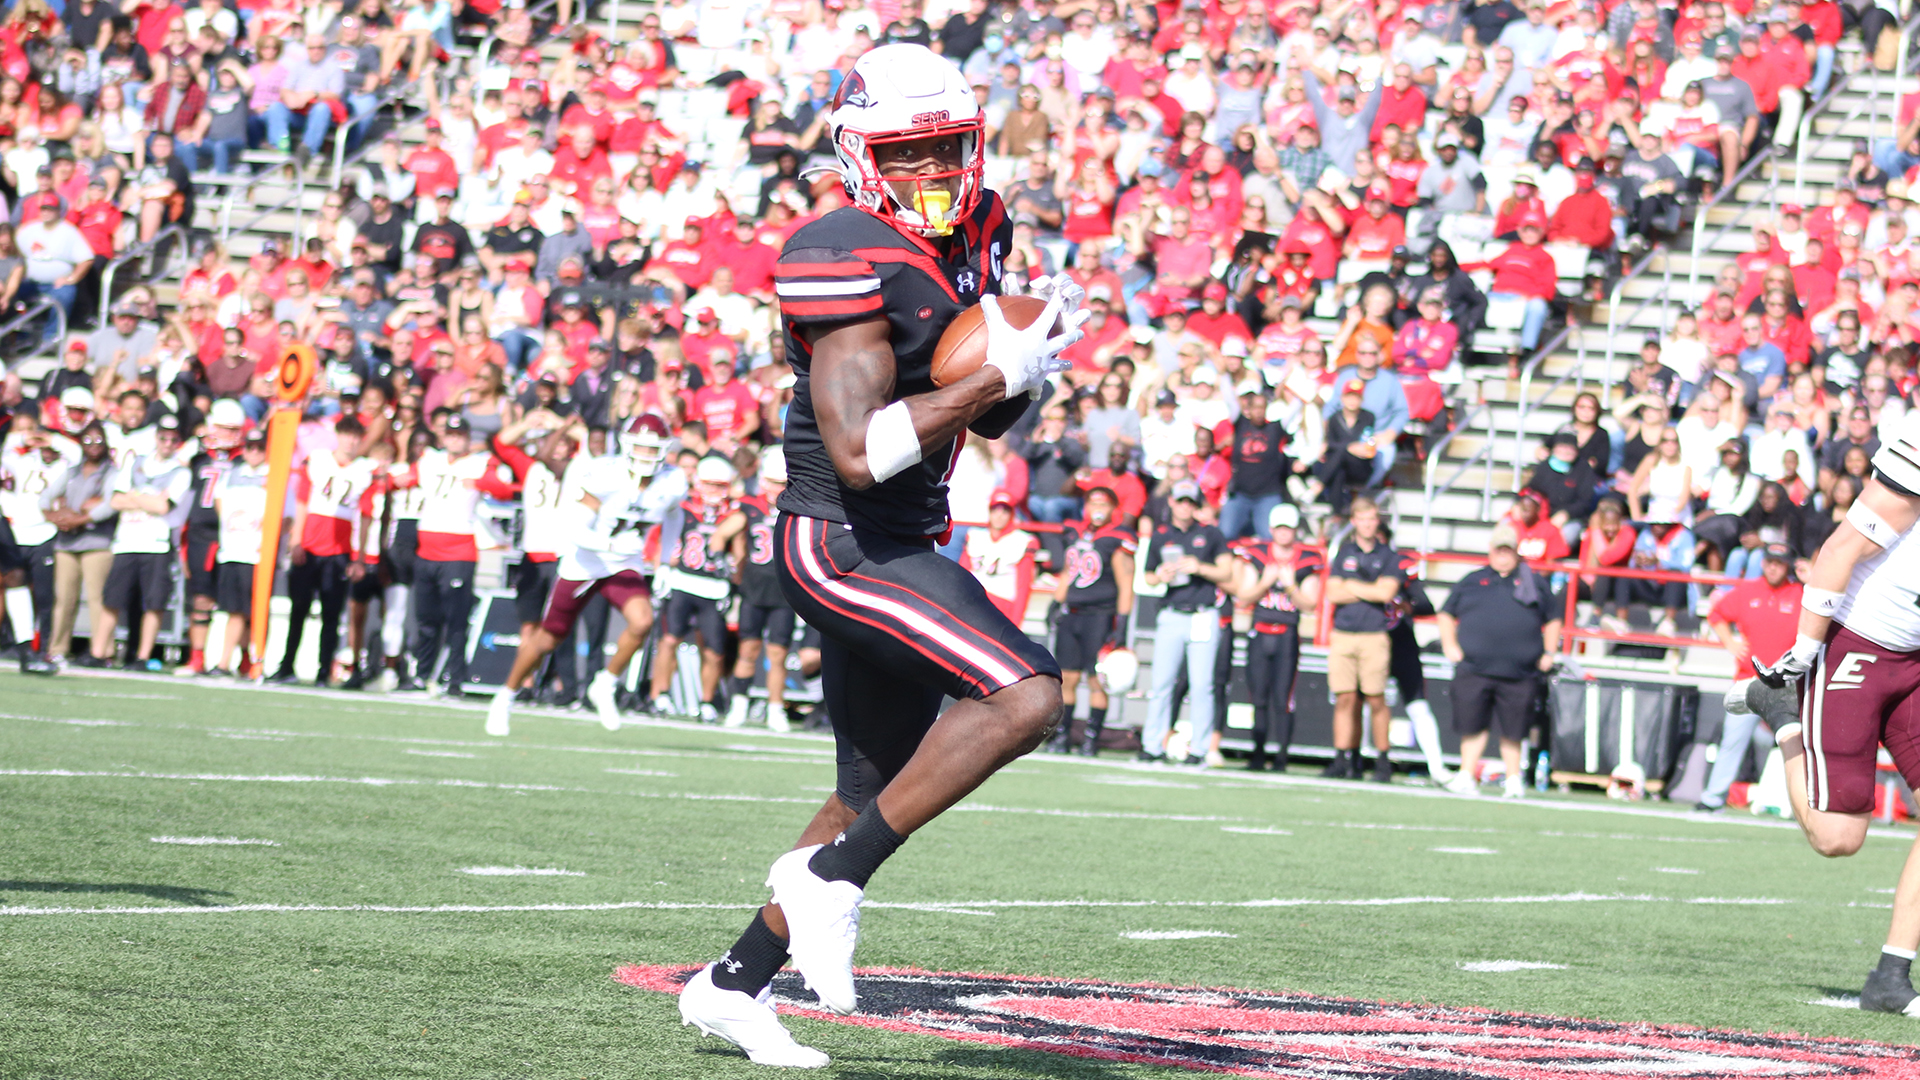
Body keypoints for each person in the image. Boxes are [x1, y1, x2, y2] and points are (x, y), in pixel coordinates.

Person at [678, 45, 1084, 1069]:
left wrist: (1018, 358)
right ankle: (829, 883)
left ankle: (731, 984)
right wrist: (989, 377)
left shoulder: (979, 224)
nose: (936, 172)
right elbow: (861, 458)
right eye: (909, 156)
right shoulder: (834, 249)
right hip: (843, 540)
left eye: (948, 148)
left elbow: (987, 410)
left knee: (869, 792)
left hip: (906, 533)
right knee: (1027, 697)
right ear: (861, 157)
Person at [1744, 411, 1920, 1015]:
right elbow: (1841, 547)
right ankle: (1781, 712)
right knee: (1838, 837)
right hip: (1858, 641)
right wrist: (1806, 650)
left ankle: (1890, 977)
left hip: (1917, 656)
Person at [487, 414, 677, 737]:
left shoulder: (672, 481)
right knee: (548, 636)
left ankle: (605, 683)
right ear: (628, 446)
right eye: (641, 447)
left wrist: (666, 562)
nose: (646, 455)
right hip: (585, 560)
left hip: (623, 562)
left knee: (643, 621)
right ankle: (505, 696)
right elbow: (574, 530)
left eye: (652, 448)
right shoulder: (606, 475)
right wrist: (609, 543)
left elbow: (675, 515)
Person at [1438, 521, 1562, 798]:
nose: (1503, 556)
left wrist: (1549, 652)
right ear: (1491, 551)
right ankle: (1467, 774)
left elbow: (1554, 618)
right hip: (1475, 666)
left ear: (1516, 551)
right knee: (1472, 725)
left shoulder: (1532, 581)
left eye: (1508, 551)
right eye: (1499, 550)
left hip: (1519, 671)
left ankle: (1514, 779)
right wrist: (1450, 644)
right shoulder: (1473, 580)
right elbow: (1445, 612)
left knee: (1514, 729)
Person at [268, 416, 377, 687]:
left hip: (338, 551)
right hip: (310, 546)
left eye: (356, 436)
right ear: (338, 435)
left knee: (331, 614)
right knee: (298, 610)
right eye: (347, 434)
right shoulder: (317, 460)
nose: (351, 441)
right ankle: (286, 665)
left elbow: (365, 516)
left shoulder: (364, 470)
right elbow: (303, 502)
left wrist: (358, 557)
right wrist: (296, 542)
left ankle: (323, 670)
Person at [1696, 542, 1801, 812]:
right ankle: (1712, 798)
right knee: (1732, 741)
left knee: (1794, 746)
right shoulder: (1747, 591)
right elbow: (1716, 614)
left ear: (1787, 565)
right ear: (1763, 563)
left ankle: (1800, 806)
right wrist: (1729, 641)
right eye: (1770, 561)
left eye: (1780, 562)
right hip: (1748, 682)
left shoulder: (1800, 594)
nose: (1774, 567)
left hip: (1787, 686)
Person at [392, 415, 489, 694]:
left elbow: (502, 488)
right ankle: (423, 675)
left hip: (459, 551)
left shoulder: (479, 463)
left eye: (461, 434)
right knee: (426, 619)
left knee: (456, 620)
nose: (455, 439)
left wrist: (484, 484)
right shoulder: (430, 460)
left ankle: (454, 679)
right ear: (444, 436)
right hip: (427, 551)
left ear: (468, 437)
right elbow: (405, 478)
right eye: (451, 434)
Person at [1141, 479, 1233, 765]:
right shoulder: (1161, 535)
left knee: (1202, 684)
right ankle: (1152, 745)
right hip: (1172, 613)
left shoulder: (1211, 533)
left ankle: (1199, 749)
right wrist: (1162, 575)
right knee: (1162, 683)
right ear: (1171, 502)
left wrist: (1200, 567)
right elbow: (1148, 577)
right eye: (1180, 501)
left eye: (1190, 502)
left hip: (1202, 614)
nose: (1184, 506)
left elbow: (1226, 572)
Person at [650, 456, 747, 721]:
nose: (714, 491)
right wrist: (662, 570)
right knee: (669, 640)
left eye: (719, 485)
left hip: (713, 587)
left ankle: (706, 702)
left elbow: (739, 554)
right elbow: (664, 541)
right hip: (682, 581)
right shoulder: (682, 507)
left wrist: (731, 580)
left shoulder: (734, 514)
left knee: (715, 651)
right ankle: (660, 695)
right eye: (709, 484)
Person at [1229, 503, 1321, 771]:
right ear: (1271, 529)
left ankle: (1281, 757)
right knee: (1257, 695)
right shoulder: (1257, 556)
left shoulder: (1305, 561)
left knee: (1283, 698)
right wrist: (1265, 582)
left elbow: (1310, 603)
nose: (1284, 534)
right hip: (1260, 631)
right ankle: (1257, 753)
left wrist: (1290, 584)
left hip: (1287, 634)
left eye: (1288, 528)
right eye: (1279, 528)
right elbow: (1243, 596)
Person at [99, 413, 191, 671]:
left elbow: (163, 506)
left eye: (173, 439)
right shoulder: (136, 463)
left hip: (157, 543)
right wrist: (147, 499)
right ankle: (98, 651)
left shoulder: (180, 472)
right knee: (112, 599)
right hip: (127, 540)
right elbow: (115, 500)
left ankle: (142, 655)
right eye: (163, 437)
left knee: (154, 602)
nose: (167, 443)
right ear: (156, 437)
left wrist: (135, 496)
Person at [1049, 486, 1135, 756]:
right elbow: (1068, 570)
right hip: (1072, 612)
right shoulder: (1076, 533)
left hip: (1099, 614)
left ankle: (1091, 740)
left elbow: (1126, 582)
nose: (1098, 508)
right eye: (1093, 502)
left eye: (1104, 503)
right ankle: (1063, 737)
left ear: (1113, 508)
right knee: (1067, 678)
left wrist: (1121, 623)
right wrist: (1056, 601)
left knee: (1096, 680)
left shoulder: (1118, 538)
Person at [1324, 494, 1400, 782]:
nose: (1367, 525)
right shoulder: (1343, 552)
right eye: (1362, 519)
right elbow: (1333, 593)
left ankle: (1382, 759)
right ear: (1354, 522)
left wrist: (1352, 585)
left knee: (1375, 698)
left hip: (1373, 635)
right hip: (1344, 632)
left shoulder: (1388, 556)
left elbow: (1386, 593)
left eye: (1372, 519)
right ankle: (1343, 757)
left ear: (1377, 521)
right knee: (1345, 698)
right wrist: (1369, 588)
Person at [725, 446, 797, 732]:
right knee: (748, 649)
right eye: (773, 482)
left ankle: (775, 708)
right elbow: (726, 535)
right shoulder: (749, 506)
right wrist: (730, 565)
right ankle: (739, 704)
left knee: (777, 653)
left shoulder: (796, 508)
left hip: (783, 591)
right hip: (754, 588)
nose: (776, 488)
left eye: (782, 483)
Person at [207, 430, 276, 677]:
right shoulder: (232, 475)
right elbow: (220, 504)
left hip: (256, 555)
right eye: (250, 447)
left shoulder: (274, 476)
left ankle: (239, 661)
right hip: (233, 550)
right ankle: (237, 661)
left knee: (247, 611)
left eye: (260, 447)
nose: (254, 452)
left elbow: (283, 516)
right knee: (236, 610)